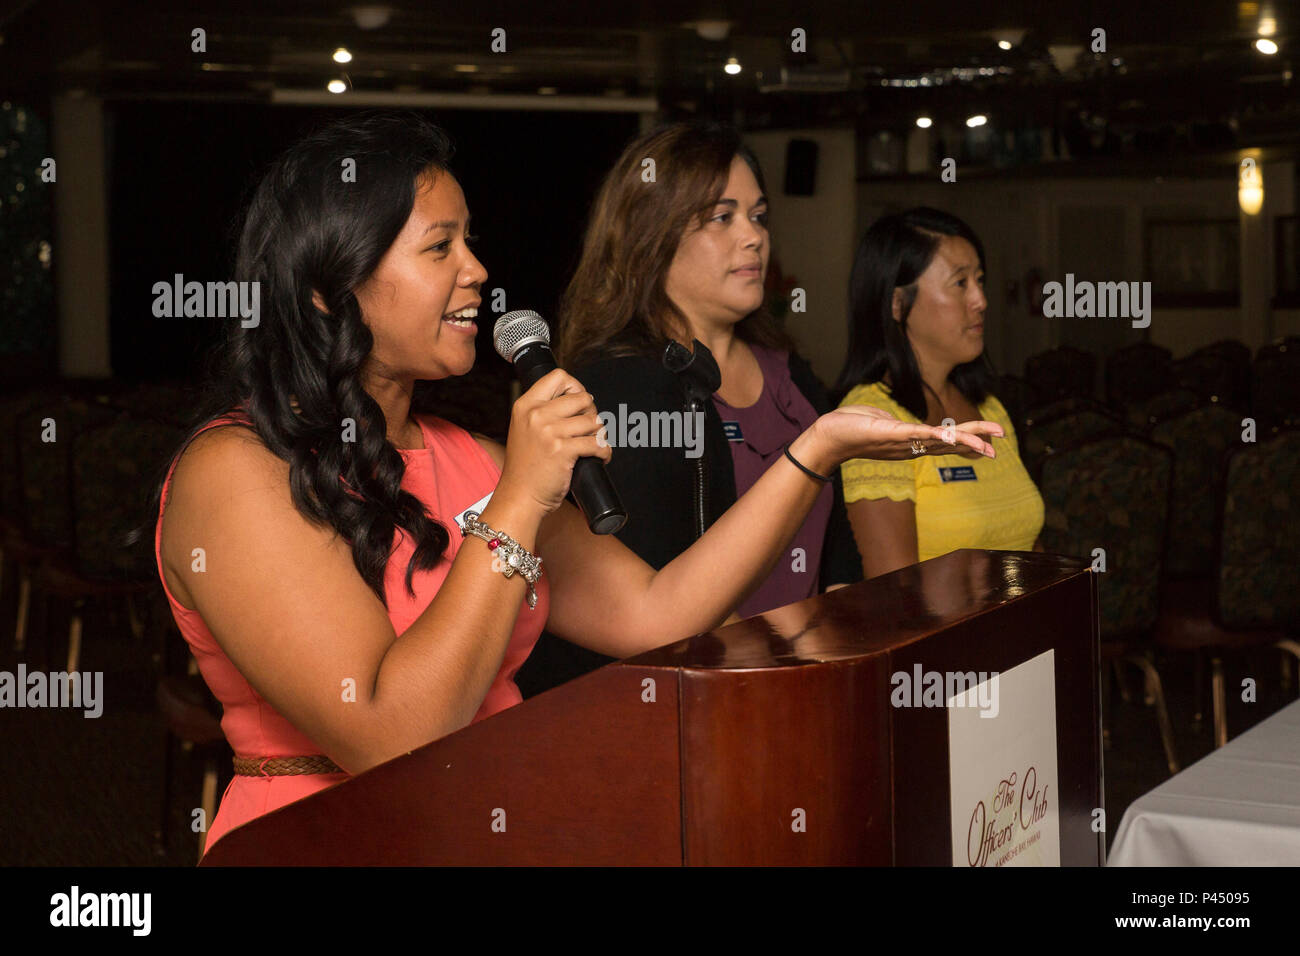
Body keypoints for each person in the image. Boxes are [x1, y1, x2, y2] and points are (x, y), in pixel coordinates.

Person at [145, 112, 1002, 856]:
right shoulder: (236, 473)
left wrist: (816, 450)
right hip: (327, 849)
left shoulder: (471, 456)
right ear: (333, 288)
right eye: (441, 246)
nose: (478, 271)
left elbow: (656, 612)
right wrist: (519, 499)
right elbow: (389, 734)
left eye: (470, 240)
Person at [519, 121, 871, 695]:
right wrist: (789, 672)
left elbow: (838, 539)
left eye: (759, 216)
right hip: (709, 696)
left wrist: (840, 649)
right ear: (651, 237)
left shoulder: (789, 370)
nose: (754, 237)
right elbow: (663, 598)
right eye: (721, 217)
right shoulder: (616, 388)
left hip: (806, 682)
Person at [832, 207, 1044, 580]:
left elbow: (1031, 549)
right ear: (898, 304)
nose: (981, 300)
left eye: (980, 280)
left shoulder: (989, 408)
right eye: (960, 283)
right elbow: (893, 595)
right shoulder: (872, 420)